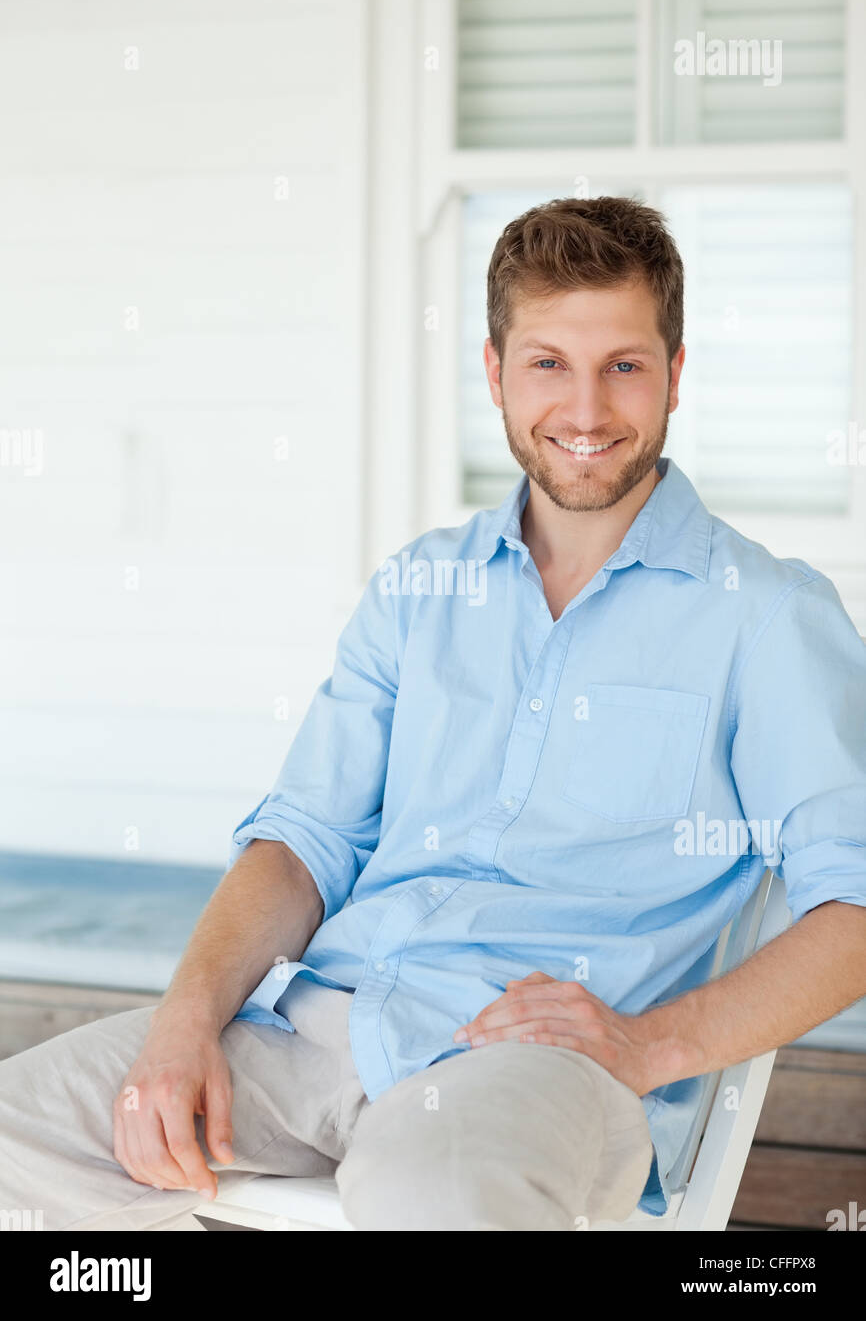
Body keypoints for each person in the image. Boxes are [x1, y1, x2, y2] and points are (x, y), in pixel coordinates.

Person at [2, 197, 865, 1232]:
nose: (585, 408)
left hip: (537, 1064)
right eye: (547, 362)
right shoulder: (418, 591)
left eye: (622, 365)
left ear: (675, 374)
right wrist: (187, 1020)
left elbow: (853, 903)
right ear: (494, 372)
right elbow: (304, 843)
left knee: (433, 1204)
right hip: (314, 1027)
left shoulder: (766, 615)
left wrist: (653, 1046)